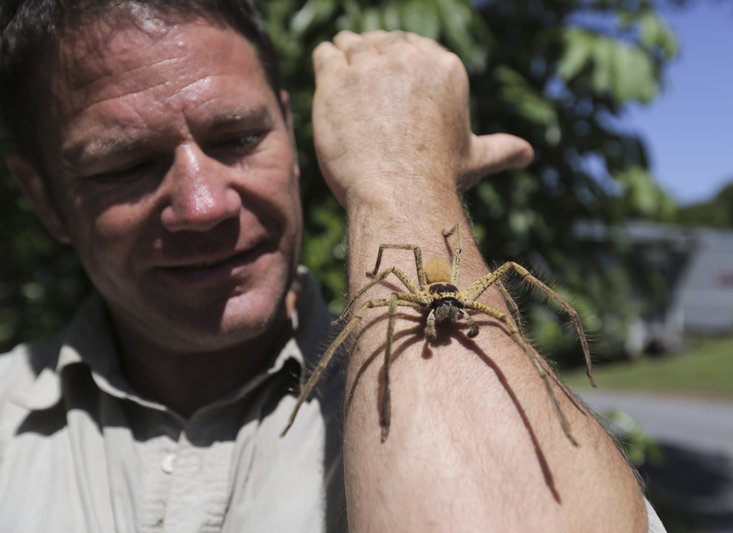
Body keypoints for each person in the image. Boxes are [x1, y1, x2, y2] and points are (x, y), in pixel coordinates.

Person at [0, 1, 666, 531]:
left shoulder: (400, 302)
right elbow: (388, 278)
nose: (204, 206)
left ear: (295, 136)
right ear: (45, 200)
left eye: (238, 137)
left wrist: (397, 175)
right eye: (126, 164)